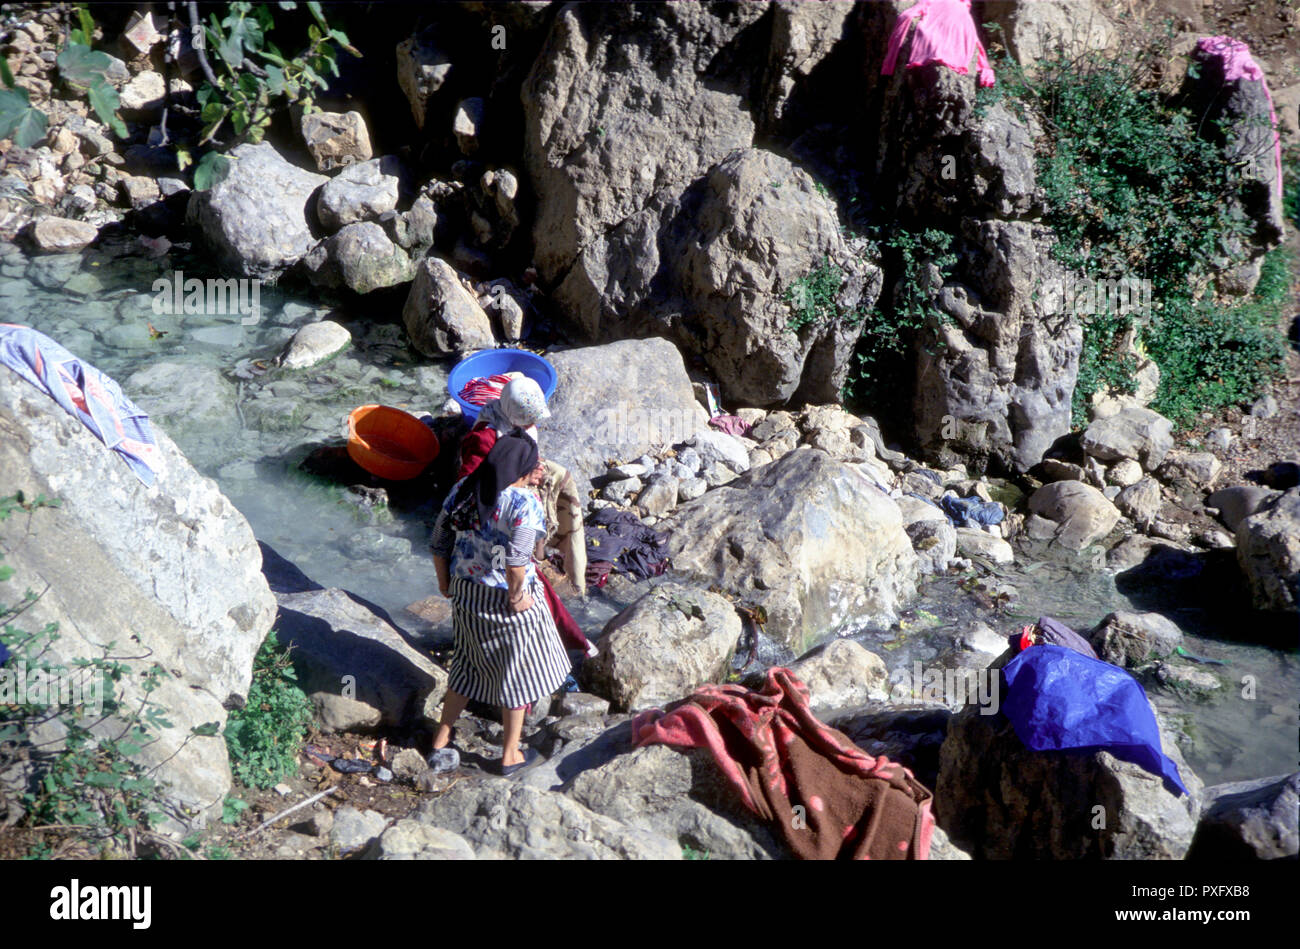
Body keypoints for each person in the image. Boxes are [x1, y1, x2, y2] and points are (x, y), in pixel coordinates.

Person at [429, 430, 570, 776]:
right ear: (521, 468)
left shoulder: (464, 488)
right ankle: (509, 756)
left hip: (466, 593)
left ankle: (440, 741)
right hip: (504, 600)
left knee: (466, 663)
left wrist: (445, 581)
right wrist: (517, 595)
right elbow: (516, 561)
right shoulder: (524, 503)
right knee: (516, 674)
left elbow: (438, 540)